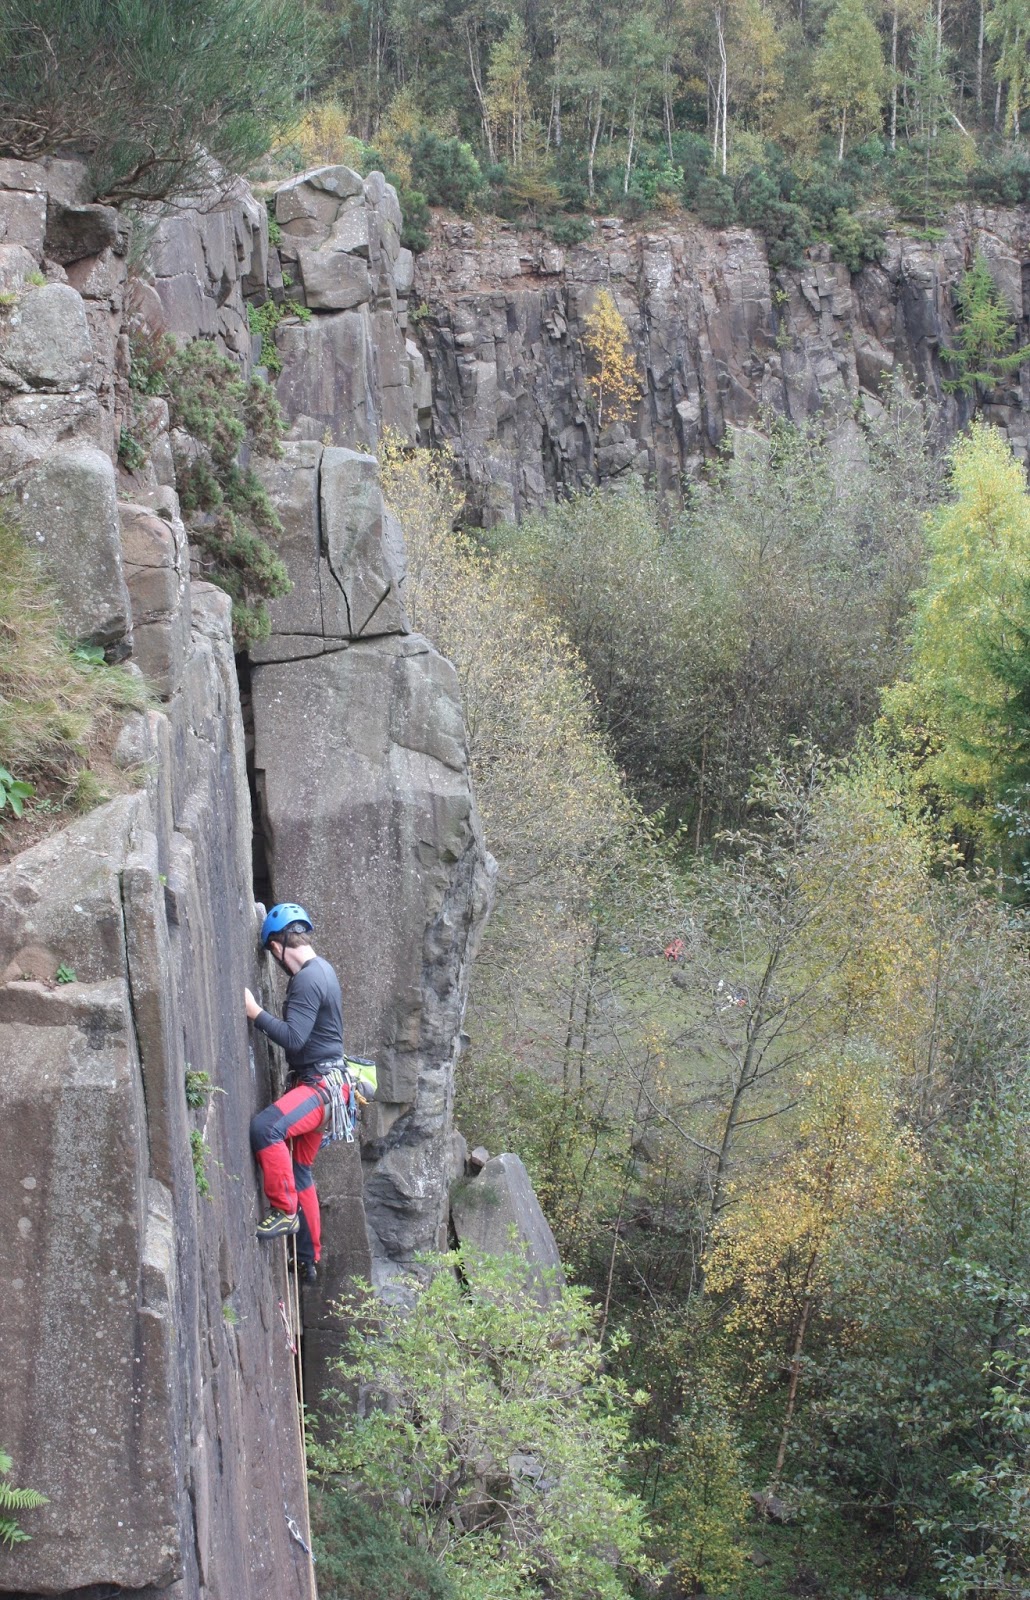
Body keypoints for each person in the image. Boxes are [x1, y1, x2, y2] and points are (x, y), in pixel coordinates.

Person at [244, 902, 345, 1283]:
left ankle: (284, 1211)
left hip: (319, 1088)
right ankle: (308, 1257)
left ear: (279, 945)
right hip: (330, 1087)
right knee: (300, 1169)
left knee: (266, 1129)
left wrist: (254, 1012)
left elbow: (293, 1038)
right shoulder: (325, 970)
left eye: (273, 953)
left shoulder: (306, 978)